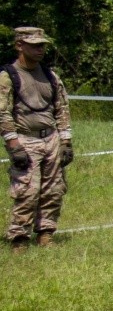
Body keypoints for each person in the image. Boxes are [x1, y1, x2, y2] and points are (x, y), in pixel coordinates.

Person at [2, 26, 73, 249]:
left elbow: (61, 108)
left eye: (42, 45)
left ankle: (46, 234)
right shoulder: (8, 76)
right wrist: (13, 143)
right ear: (19, 46)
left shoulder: (50, 76)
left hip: (51, 139)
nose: (40, 49)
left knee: (53, 189)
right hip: (25, 138)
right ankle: (19, 239)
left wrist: (65, 140)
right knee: (27, 191)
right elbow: (2, 111)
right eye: (35, 45)